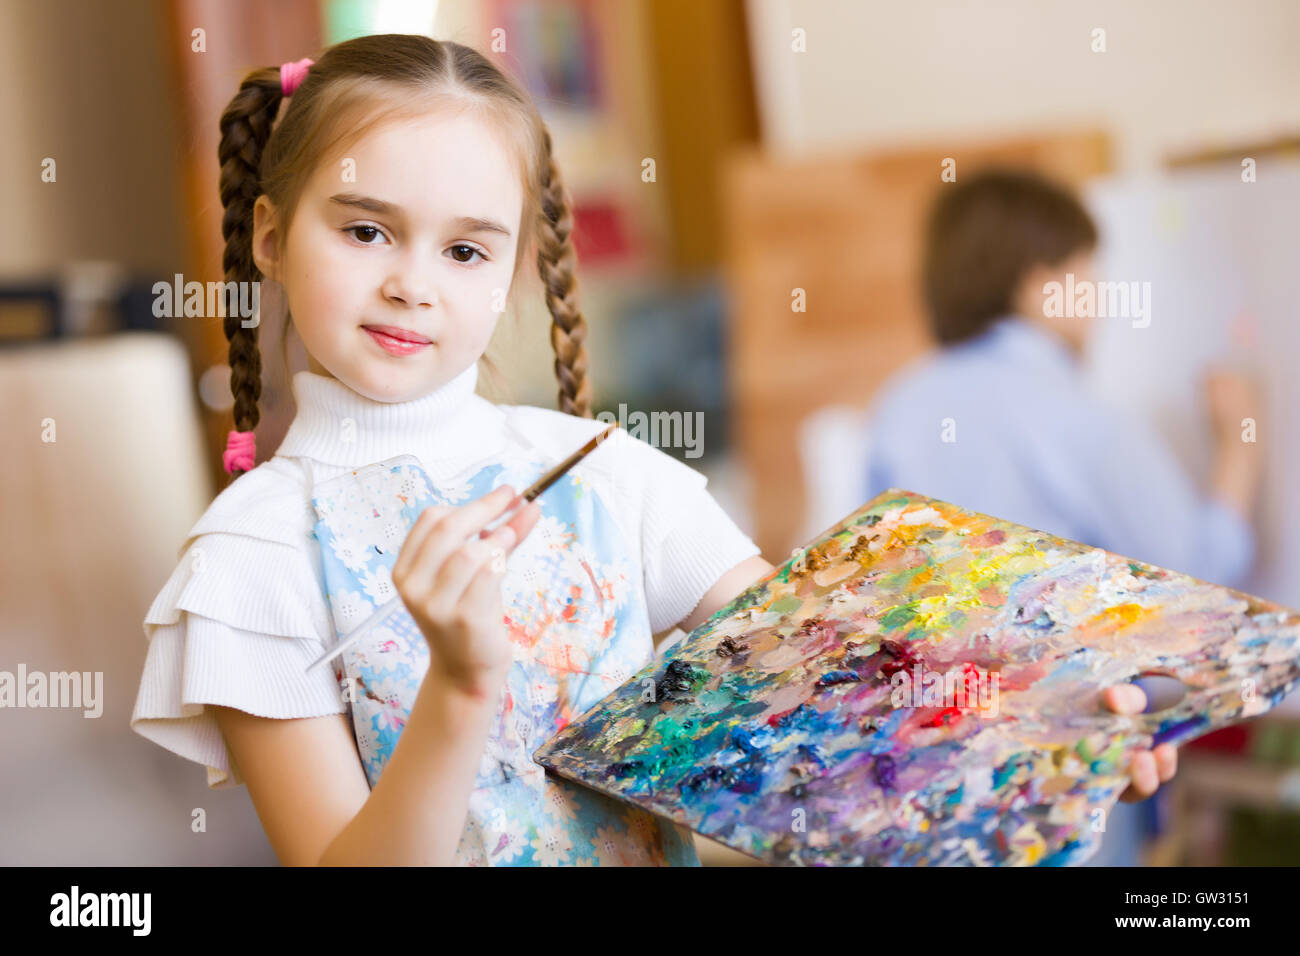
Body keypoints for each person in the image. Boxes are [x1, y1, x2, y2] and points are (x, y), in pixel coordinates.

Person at [130, 41, 1171, 866]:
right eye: (365, 231)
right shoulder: (250, 555)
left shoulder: (605, 473)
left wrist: (1039, 726)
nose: (413, 282)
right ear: (269, 235)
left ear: (509, 276)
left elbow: (829, 670)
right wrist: (456, 685)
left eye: (463, 248)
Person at [864, 168, 1260, 864]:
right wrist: (1241, 445)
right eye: (1088, 274)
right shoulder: (1078, 416)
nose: (1100, 302)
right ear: (1042, 280)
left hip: (926, 779)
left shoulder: (899, 407)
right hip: (1064, 781)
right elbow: (1195, 582)